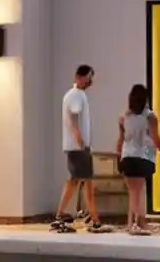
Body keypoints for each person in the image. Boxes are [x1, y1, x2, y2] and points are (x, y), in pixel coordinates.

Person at [52, 64, 108, 233]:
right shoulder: (75, 95)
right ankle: (90, 218)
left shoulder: (76, 95)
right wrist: (78, 137)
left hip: (78, 146)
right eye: (88, 77)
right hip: (78, 146)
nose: (90, 81)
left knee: (79, 180)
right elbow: (73, 116)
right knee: (83, 180)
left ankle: (73, 215)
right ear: (79, 77)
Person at [115, 84, 160, 235]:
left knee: (133, 192)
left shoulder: (123, 117)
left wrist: (118, 157)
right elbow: (156, 140)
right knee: (139, 191)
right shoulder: (150, 116)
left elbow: (120, 140)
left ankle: (134, 223)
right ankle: (137, 223)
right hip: (143, 157)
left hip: (127, 157)